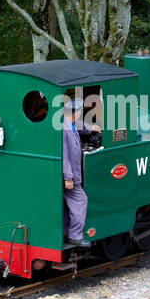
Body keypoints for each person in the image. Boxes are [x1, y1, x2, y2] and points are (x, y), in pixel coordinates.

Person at [62, 98, 91, 249]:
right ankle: (75, 237)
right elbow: (64, 155)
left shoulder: (70, 124)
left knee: (68, 204)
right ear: (74, 113)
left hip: (73, 174)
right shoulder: (64, 130)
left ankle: (66, 231)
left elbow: (80, 128)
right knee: (81, 201)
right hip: (70, 176)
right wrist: (68, 178)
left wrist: (93, 128)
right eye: (79, 112)